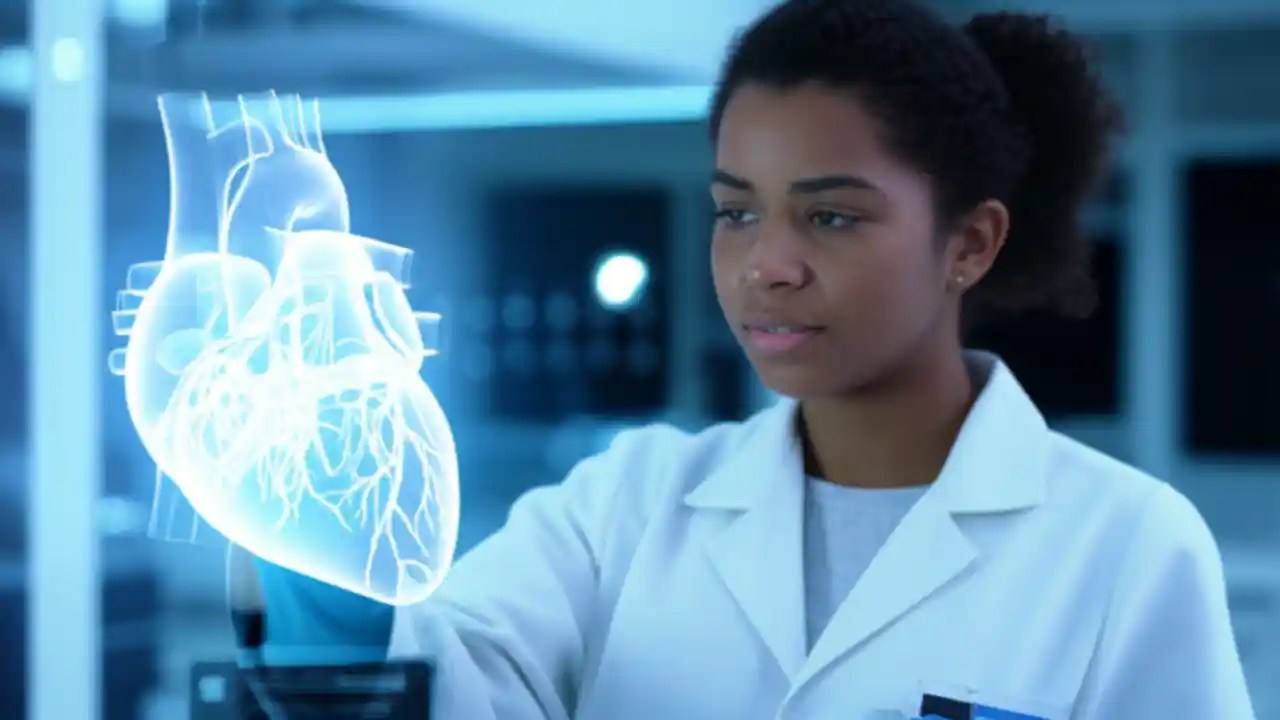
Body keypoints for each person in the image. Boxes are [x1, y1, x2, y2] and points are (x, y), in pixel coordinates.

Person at [240, 1, 1257, 718]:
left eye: (827, 215)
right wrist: (329, 580)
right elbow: (439, 687)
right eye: (734, 211)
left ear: (969, 243)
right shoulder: (624, 510)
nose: (764, 265)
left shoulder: (1125, 550)